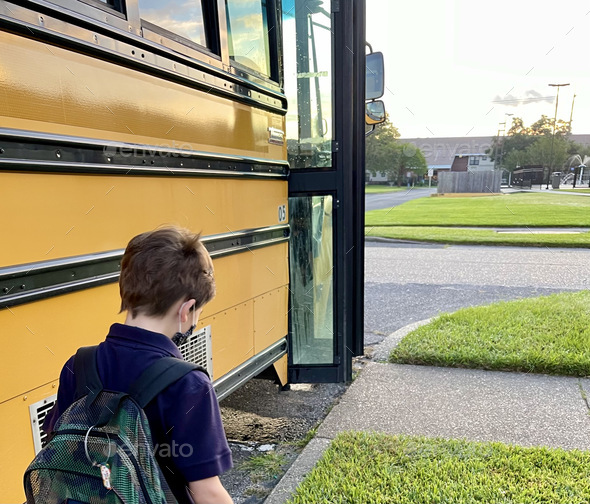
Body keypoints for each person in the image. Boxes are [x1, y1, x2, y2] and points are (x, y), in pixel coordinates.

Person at [43, 226, 234, 504]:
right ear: (185, 310)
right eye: (198, 313)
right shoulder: (189, 384)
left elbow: (59, 448)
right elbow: (207, 492)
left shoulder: (78, 364)